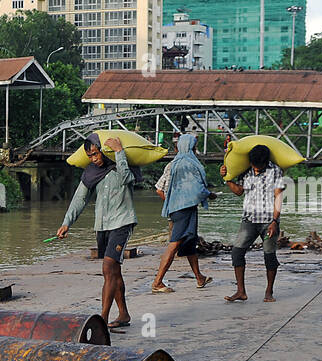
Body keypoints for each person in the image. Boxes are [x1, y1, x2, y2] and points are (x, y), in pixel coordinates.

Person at [55, 134, 137, 330]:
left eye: (95, 154)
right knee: (114, 271)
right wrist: (67, 223)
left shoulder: (121, 166)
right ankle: (124, 313)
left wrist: (119, 152)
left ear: (103, 151)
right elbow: (79, 199)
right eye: (90, 156)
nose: (93, 159)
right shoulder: (91, 173)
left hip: (122, 222)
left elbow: (128, 179)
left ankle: (102, 318)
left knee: (108, 268)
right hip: (102, 225)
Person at [220, 144, 286, 304]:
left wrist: (275, 221)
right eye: (253, 166)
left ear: (265, 163)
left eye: (258, 167)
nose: (255, 169)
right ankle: (241, 291)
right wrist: (227, 178)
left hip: (268, 221)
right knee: (237, 253)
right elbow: (239, 191)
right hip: (249, 220)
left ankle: (269, 292)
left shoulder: (276, 171)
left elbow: (278, 197)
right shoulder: (246, 170)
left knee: (269, 256)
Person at [150, 133, 213, 292]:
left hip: (176, 209)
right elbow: (198, 191)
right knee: (174, 244)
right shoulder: (190, 164)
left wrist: (172, 203)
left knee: (190, 243)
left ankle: (199, 277)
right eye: (194, 147)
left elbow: (159, 189)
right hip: (185, 210)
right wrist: (209, 195)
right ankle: (157, 282)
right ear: (190, 147)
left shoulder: (172, 164)